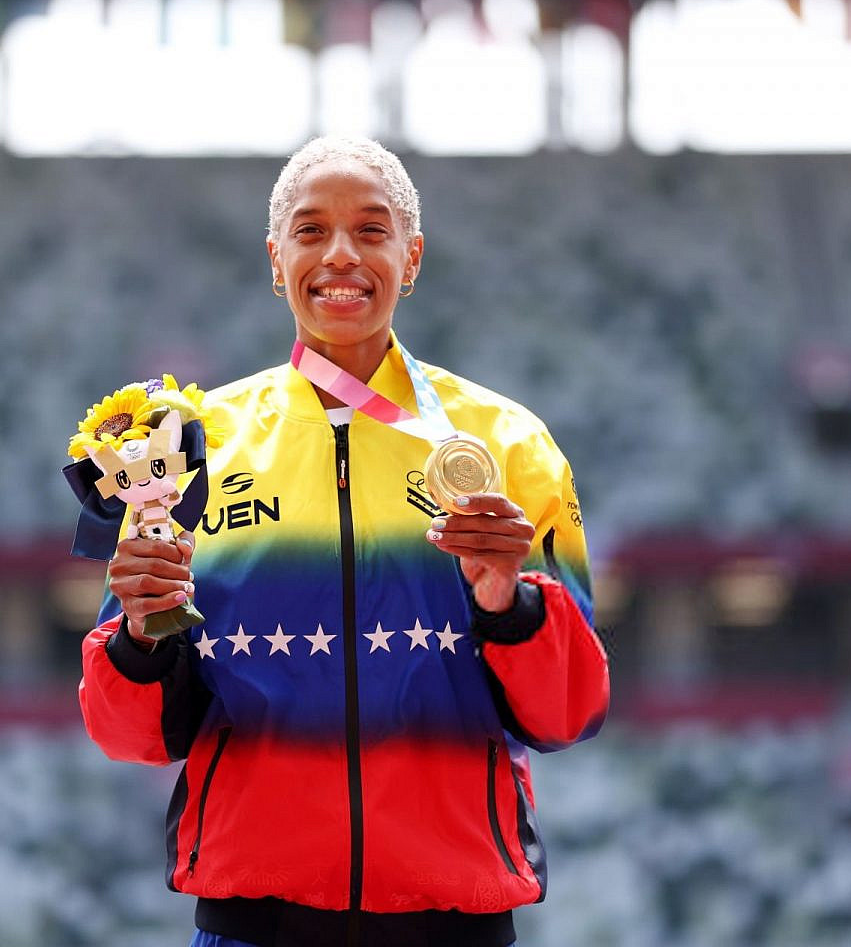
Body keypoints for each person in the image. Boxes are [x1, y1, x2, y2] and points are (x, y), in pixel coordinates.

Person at [78, 137, 609, 947]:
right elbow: (136, 735)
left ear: (412, 254)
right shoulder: (188, 447)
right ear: (274, 256)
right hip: (252, 925)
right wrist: (144, 635)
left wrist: (507, 603)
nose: (340, 255)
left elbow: (568, 713)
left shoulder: (507, 443)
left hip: (453, 924)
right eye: (309, 229)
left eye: (371, 229)